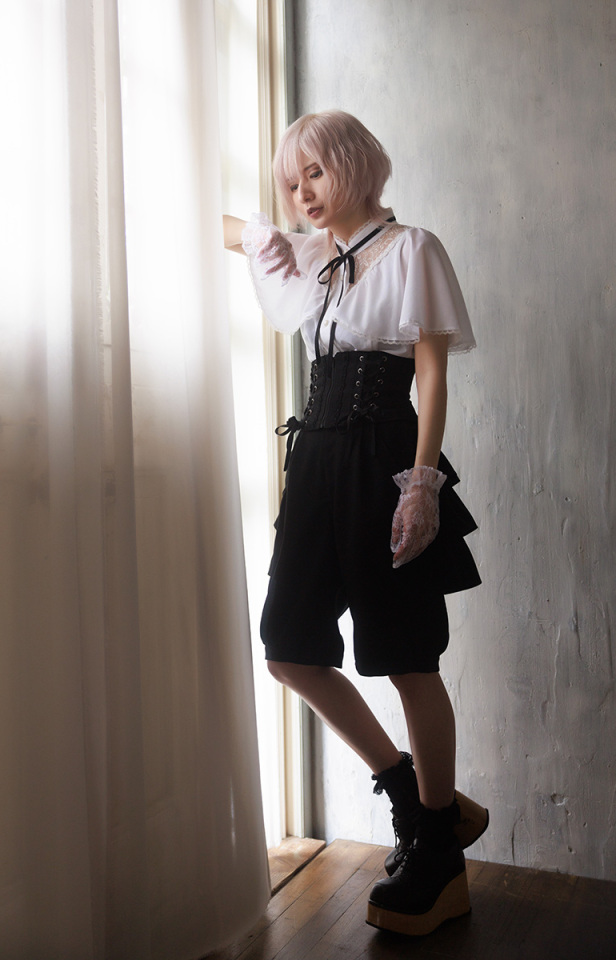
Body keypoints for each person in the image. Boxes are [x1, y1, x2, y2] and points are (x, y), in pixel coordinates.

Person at [223, 110, 487, 937]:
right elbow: (233, 232)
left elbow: (432, 375)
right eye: (290, 180)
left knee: (406, 656)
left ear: (356, 165)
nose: (302, 193)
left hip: (383, 458)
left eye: (316, 172)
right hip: (316, 461)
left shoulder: (412, 249)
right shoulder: (313, 260)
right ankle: (418, 797)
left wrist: (421, 484)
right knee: (288, 647)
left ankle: (438, 855)